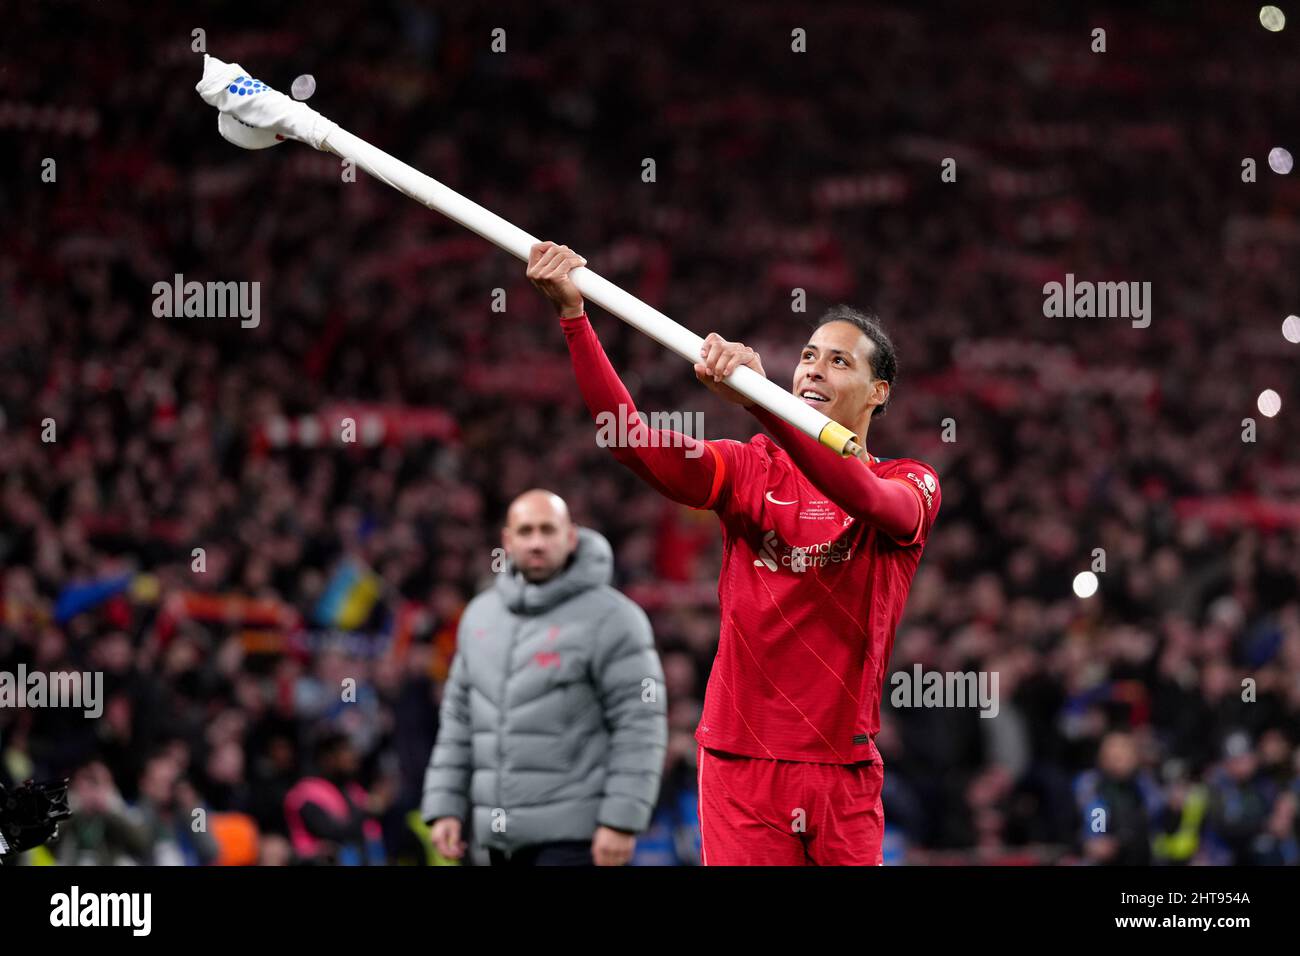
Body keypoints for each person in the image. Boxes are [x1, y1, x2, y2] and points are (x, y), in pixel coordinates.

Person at [527, 241, 941, 865]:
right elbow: (630, 440)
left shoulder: (911, 480)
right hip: (739, 761)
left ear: (878, 392)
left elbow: (864, 496)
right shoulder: (749, 467)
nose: (813, 371)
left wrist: (759, 405)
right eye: (806, 357)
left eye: (838, 361)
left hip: (843, 767)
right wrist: (574, 319)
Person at [422, 490, 667, 866]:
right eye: (526, 531)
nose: (536, 542)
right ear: (507, 541)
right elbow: (458, 720)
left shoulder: (616, 618)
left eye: (548, 530)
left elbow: (640, 724)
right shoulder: (479, 616)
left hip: (578, 839)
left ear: (571, 536)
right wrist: (445, 806)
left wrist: (621, 820)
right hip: (496, 840)